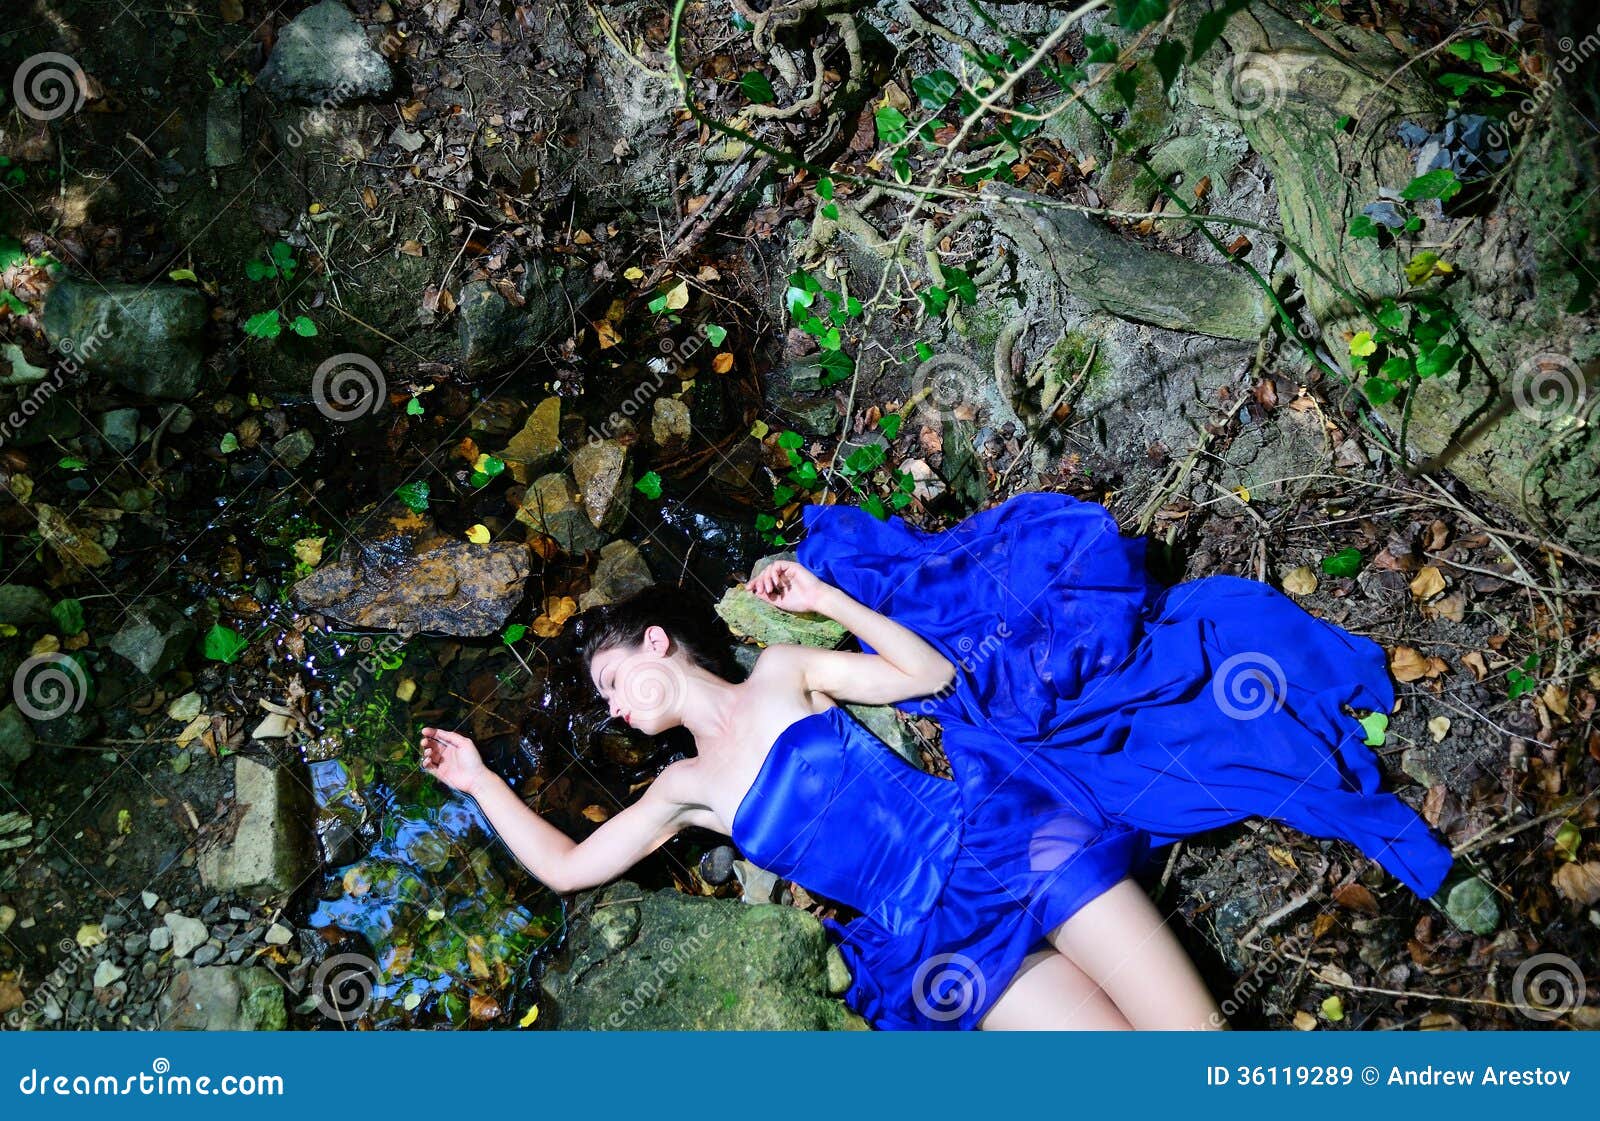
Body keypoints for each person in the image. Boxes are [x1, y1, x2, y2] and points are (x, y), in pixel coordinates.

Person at [421, 490, 1453, 1030]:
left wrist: (828, 602)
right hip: (928, 936)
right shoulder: (682, 791)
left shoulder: (782, 672)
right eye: (603, 703)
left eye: (610, 680)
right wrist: (477, 779)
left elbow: (920, 674)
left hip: (1005, 839)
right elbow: (564, 867)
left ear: (657, 643)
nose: (613, 707)